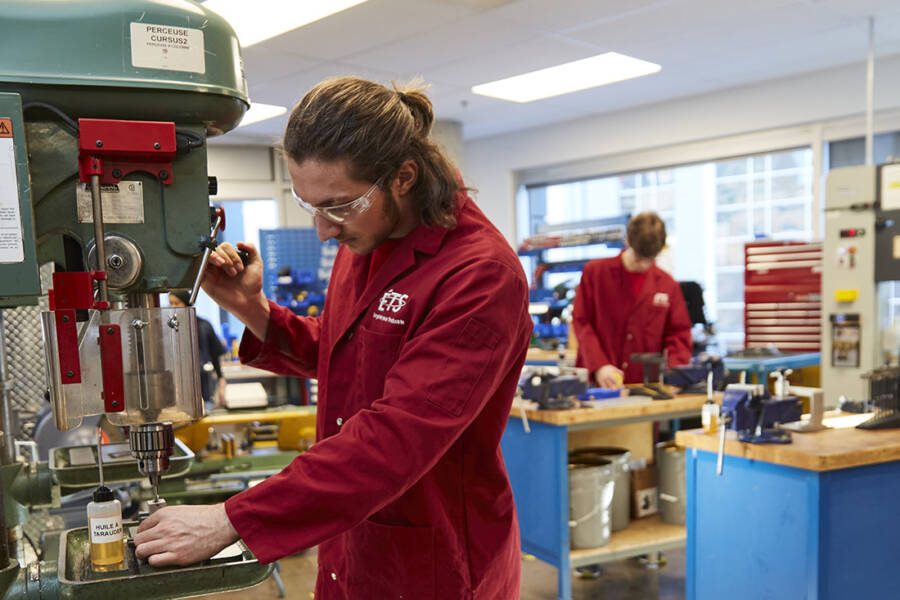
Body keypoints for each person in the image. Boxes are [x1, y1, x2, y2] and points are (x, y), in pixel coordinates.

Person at [134, 77, 532, 599]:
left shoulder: (480, 275)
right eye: (310, 206)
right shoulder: (368, 231)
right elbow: (349, 350)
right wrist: (251, 309)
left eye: (337, 206)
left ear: (404, 177)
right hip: (352, 537)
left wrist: (232, 518)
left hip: (437, 559)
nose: (324, 230)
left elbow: (396, 439)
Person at [572, 212, 692, 389]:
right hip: (599, 384)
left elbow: (678, 334)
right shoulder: (595, 273)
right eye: (638, 257)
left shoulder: (668, 285)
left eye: (649, 259)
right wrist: (599, 365)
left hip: (646, 387)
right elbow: (582, 321)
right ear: (627, 240)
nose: (643, 265)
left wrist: (675, 374)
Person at [167, 291, 227, 408]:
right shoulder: (167, 329)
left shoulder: (204, 326)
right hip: (177, 389)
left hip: (203, 386)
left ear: (186, 303)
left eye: (176, 303)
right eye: (170, 303)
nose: (172, 307)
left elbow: (215, 355)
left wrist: (221, 380)